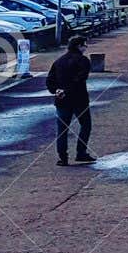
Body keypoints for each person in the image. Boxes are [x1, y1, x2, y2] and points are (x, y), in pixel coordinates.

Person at [47, 36, 96, 166]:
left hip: (61, 100)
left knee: (62, 129)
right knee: (85, 125)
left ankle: (63, 157)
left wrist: (56, 90)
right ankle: (81, 152)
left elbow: (50, 80)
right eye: (85, 45)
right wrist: (67, 90)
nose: (86, 47)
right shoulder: (83, 61)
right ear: (79, 46)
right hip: (79, 99)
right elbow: (80, 79)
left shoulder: (59, 61)